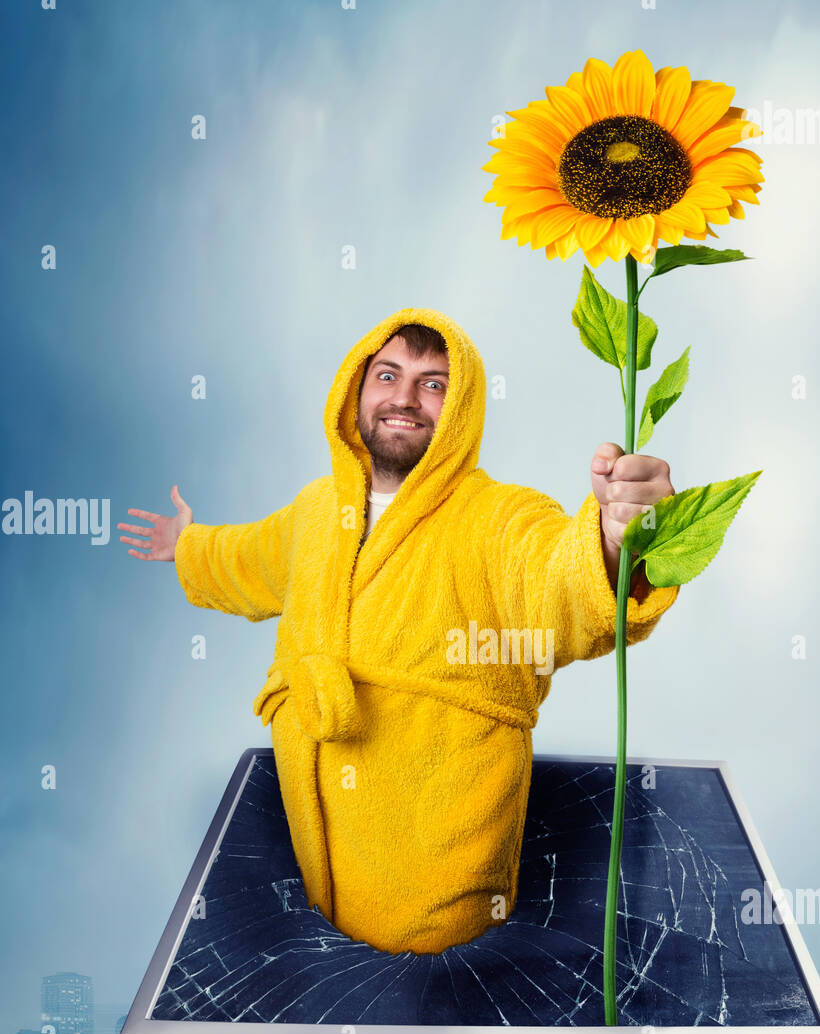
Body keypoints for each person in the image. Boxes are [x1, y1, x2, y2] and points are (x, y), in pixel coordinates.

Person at [118, 308, 679, 954]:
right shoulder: (316, 510)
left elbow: (556, 578)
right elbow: (247, 558)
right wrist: (185, 545)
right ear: (356, 391)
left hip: (444, 908)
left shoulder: (496, 517)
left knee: (437, 1014)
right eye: (388, 375)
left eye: (433, 384)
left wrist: (614, 542)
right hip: (318, 885)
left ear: (462, 407)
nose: (405, 398)